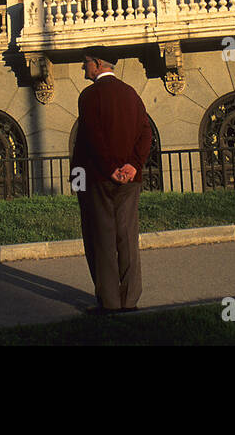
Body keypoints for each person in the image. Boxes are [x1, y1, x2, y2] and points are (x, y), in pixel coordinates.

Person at [71, 47, 153, 314]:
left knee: (102, 239)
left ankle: (109, 302)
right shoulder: (130, 93)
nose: (84, 68)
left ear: (96, 64)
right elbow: (145, 132)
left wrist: (110, 169)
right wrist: (133, 165)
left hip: (98, 179)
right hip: (131, 179)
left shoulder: (89, 96)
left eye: (86, 63)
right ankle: (130, 300)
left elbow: (94, 138)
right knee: (128, 237)